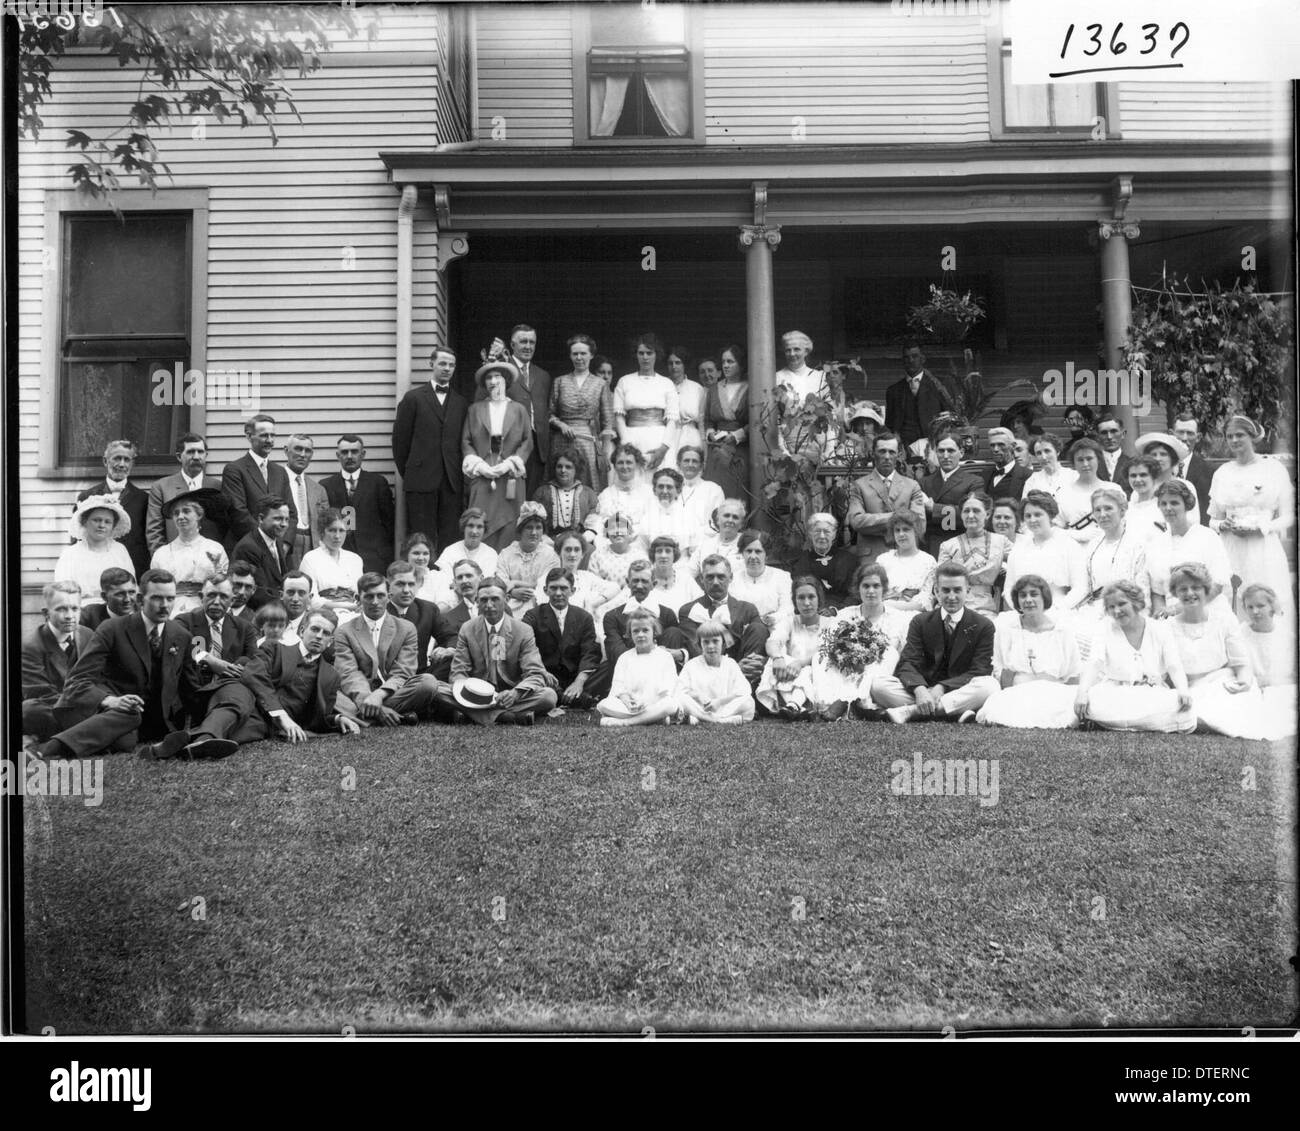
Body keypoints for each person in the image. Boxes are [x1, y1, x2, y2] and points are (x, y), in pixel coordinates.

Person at [40, 569, 201, 761]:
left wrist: (212, 720)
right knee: (128, 724)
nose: (165, 605)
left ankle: (139, 746)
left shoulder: (181, 635)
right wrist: (111, 701)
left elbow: (191, 689)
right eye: (157, 598)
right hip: (114, 712)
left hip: (156, 724)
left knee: (125, 742)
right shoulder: (112, 629)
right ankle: (48, 749)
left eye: (170, 598)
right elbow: (77, 681)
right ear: (140, 599)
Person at [873, 562, 999, 724]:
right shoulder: (920, 621)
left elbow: (980, 669)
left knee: (990, 686)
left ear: (967, 592)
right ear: (936, 591)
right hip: (924, 691)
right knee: (879, 686)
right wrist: (919, 690)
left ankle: (912, 711)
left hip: (959, 690)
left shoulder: (983, 625)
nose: (951, 596)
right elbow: (908, 662)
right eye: (945, 590)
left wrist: (942, 687)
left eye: (957, 590)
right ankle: (953, 712)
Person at [1074, 580, 1195, 733]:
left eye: (1122, 604)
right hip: (1115, 693)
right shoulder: (1104, 627)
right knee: (1093, 700)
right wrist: (1082, 693)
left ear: (1136, 603)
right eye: (1111, 607)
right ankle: (1146, 723)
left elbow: (1173, 664)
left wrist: (1183, 690)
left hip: (1152, 693)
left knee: (1180, 706)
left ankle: (1107, 723)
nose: (1116, 611)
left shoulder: (1160, 628)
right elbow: (1094, 662)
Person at [438, 574, 558, 726]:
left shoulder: (523, 630)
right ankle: (508, 717)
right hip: (476, 695)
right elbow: (458, 672)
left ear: (506, 599)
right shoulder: (467, 628)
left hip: (511, 694)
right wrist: (473, 693)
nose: (489, 605)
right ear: (476, 602)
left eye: (495, 599)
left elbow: (535, 673)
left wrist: (515, 693)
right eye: (483, 600)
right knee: (437, 689)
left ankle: (475, 715)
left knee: (548, 696)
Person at [1209, 414, 1295, 620]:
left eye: (1240, 435)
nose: (1234, 440)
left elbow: (1289, 516)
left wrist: (1263, 527)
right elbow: (1212, 520)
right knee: (1233, 601)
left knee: (1265, 599)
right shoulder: (1222, 472)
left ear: (1253, 436)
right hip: (1231, 548)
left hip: (1263, 548)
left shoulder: (1273, 469)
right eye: (1229, 436)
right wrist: (1223, 524)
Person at [1166, 562, 1263, 738]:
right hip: (1187, 689)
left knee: (1238, 705)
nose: (1190, 593)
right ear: (1175, 593)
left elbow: (1241, 663)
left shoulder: (1225, 620)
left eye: (1196, 587)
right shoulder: (1167, 627)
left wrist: (1243, 682)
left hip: (1220, 683)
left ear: (1206, 590)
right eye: (1183, 589)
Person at [333, 572, 444, 725]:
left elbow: (404, 671)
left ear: (389, 597)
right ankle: (391, 713)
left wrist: (378, 695)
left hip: (391, 692)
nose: (375, 602)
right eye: (369, 596)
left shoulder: (406, 628)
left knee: (428, 683)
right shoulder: (344, 631)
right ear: (358, 599)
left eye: (380, 596)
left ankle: (365, 715)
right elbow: (349, 673)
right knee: (330, 691)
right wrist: (368, 698)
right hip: (358, 693)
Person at [976, 574, 1081, 729]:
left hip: (1054, 692)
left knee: (1066, 710)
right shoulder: (1006, 630)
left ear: (1044, 597)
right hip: (1018, 691)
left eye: (1034, 594)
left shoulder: (1062, 631)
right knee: (999, 707)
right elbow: (999, 668)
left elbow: (1073, 673)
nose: (1028, 600)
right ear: (1017, 601)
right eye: (1022, 595)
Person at [239, 609, 363, 741]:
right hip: (253, 708)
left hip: (270, 727)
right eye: (315, 629)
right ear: (302, 631)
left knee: (240, 732)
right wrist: (280, 715)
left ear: (330, 642)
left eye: (325, 633)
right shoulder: (275, 649)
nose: (319, 636)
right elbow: (255, 677)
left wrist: (338, 719)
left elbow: (320, 715)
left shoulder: (331, 676)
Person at [393, 346, 469, 553]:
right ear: (431, 364)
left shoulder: (461, 403)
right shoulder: (413, 398)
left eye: (451, 365)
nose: (447, 369)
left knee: (450, 535)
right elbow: (400, 443)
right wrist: (413, 471)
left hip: (451, 481)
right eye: (442, 363)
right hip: (420, 480)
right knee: (420, 536)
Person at [816, 562, 913, 719]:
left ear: (884, 589)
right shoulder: (844, 615)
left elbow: (904, 656)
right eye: (865, 586)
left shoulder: (898, 619)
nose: (871, 591)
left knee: (889, 652)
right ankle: (842, 700)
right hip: (846, 672)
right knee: (820, 656)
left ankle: (848, 700)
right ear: (858, 589)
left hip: (880, 677)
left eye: (876, 586)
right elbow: (829, 647)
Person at [585, 559, 691, 702]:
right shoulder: (613, 616)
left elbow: (674, 650)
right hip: (628, 674)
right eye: (635, 581)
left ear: (653, 584)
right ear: (628, 582)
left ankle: (665, 695)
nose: (639, 586)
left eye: (644, 581)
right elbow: (616, 653)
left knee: (673, 632)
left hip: (659, 675)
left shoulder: (666, 614)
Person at [462, 358, 533, 551]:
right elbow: (466, 441)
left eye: (498, 377)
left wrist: (510, 463)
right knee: (481, 522)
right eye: (489, 378)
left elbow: (528, 441)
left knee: (510, 526)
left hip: (510, 477)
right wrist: (480, 466)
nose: (493, 382)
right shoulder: (474, 410)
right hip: (483, 477)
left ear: (506, 381)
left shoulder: (519, 410)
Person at [1071, 485, 1151, 654]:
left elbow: (1142, 591)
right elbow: (1083, 588)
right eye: (1097, 510)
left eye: (1108, 508)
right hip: (1094, 609)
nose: (1102, 514)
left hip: (1124, 610)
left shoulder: (1137, 545)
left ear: (1122, 511)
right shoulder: (1093, 545)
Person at [1146, 480, 1234, 622]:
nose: (1168, 508)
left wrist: (1178, 609)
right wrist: (1160, 617)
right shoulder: (1156, 544)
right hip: (1171, 619)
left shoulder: (1207, 537)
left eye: (1174, 503)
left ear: (1186, 505)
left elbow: (1217, 586)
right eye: (1163, 503)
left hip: (1208, 613)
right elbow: (1157, 592)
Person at [679, 555, 770, 687]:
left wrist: (754, 662)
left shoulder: (747, 609)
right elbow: (696, 649)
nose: (715, 582)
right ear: (701, 580)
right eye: (710, 577)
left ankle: (748, 692)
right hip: (707, 675)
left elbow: (760, 639)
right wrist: (733, 669)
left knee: (758, 628)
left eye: (721, 576)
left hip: (745, 674)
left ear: (731, 577)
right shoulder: (689, 610)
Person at [483, 324, 552, 497]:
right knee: (510, 498)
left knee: (534, 498)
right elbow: (482, 400)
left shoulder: (543, 376)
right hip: (510, 447)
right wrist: (491, 362)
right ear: (512, 345)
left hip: (538, 449)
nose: (528, 346)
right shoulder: (501, 369)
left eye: (532, 342)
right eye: (523, 342)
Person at [22, 581, 94, 740]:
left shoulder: (88, 634)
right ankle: (93, 730)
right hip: (53, 707)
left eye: (75, 608)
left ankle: (69, 735)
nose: (69, 616)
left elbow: (97, 678)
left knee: (127, 733)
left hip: (82, 706)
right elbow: (40, 693)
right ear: (46, 613)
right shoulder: (30, 645)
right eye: (61, 609)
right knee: (29, 710)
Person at [755, 575, 834, 718]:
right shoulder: (788, 622)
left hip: (818, 676)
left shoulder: (830, 623)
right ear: (795, 601)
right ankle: (795, 707)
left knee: (808, 669)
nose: (807, 603)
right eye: (801, 598)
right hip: (789, 675)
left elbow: (826, 652)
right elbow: (773, 641)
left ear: (819, 599)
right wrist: (778, 658)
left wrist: (800, 663)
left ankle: (794, 705)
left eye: (811, 597)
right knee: (775, 660)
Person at [524, 566, 600, 708]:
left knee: (605, 669)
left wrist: (579, 682)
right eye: (553, 588)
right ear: (545, 590)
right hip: (546, 677)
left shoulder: (584, 617)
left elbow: (589, 652)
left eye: (563, 588)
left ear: (573, 591)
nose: (558, 593)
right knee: (533, 677)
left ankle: (571, 695)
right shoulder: (533, 616)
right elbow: (527, 650)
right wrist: (543, 674)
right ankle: (575, 698)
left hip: (576, 675)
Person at [1001, 491, 1088, 616]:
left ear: (1050, 515)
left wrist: (1056, 610)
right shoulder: (1019, 549)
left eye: (1038, 514)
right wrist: (1020, 611)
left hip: (1060, 611)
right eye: (1028, 516)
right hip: (1024, 613)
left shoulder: (1068, 545)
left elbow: (1080, 587)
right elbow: (1009, 588)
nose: (1032, 520)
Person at [319, 434, 395, 576]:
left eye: (354, 452)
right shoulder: (326, 485)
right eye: (344, 452)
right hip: (339, 556)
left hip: (373, 558)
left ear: (363, 454)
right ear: (337, 455)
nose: (349, 456)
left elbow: (389, 523)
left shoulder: (377, 483)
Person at [846, 431, 927, 563]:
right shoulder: (859, 486)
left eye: (891, 452)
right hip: (871, 556)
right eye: (882, 451)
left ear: (898, 455)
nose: (887, 456)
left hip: (904, 555)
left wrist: (874, 525)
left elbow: (919, 526)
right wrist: (898, 517)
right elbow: (857, 522)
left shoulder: (912, 486)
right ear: (873, 453)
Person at [548, 333, 616, 491]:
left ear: (591, 355)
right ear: (570, 356)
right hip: (562, 441)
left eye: (583, 353)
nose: (579, 357)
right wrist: (561, 425)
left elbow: (607, 423)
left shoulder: (600, 384)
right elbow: (550, 414)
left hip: (587, 442)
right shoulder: (560, 382)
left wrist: (604, 453)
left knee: (588, 486)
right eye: (575, 353)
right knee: (561, 483)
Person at [74, 439, 150, 577]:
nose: (122, 464)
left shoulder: (143, 499)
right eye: (117, 458)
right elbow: (78, 538)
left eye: (127, 460)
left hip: (130, 571)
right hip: (94, 570)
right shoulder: (87, 497)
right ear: (105, 461)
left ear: (132, 463)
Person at [149, 491, 230, 617]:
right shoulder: (162, 553)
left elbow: (222, 584)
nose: (180, 516)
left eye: (186, 511)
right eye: (176, 513)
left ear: (198, 515)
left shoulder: (215, 549)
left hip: (207, 610)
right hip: (171, 612)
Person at [596, 608, 681, 727]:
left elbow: (667, 690)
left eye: (645, 630)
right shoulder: (624, 658)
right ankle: (653, 719)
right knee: (603, 704)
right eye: (636, 631)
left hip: (654, 704)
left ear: (654, 632)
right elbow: (618, 688)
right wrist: (627, 702)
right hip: (629, 706)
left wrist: (645, 703)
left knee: (669, 705)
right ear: (630, 634)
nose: (640, 635)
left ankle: (626, 722)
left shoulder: (665, 657)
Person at [147, 432, 227, 552]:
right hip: (174, 560)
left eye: (200, 452)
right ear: (179, 456)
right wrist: (163, 563)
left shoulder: (217, 487)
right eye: (190, 452)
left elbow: (226, 527)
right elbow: (154, 532)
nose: (196, 456)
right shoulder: (162, 487)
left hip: (211, 559)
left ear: (206, 455)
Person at [222, 414, 297, 540]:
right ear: (249, 436)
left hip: (279, 549)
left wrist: (285, 544)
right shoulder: (235, 470)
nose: (269, 440)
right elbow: (238, 513)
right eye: (264, 435)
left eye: (272, 435)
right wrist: (264, 543)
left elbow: (292, 513)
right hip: (249, 546)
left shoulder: (280, 472)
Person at [937, 491, 1012, 616]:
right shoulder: (948, 546)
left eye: (976, 511)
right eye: (966, 511)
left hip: (988, 607)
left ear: (987, 514)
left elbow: (1021, 562)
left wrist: (1005, 567)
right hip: (955, 605)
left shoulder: (1001, 542)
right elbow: (940, 581)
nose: (970, 515)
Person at [614, 331, 680, 472]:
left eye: (649, 353)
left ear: (656, 354)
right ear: (636, 355)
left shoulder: (666, 383)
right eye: (641, 353)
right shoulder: (624, 381)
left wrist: (663, 449)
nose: (645, 357)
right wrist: (628, 447)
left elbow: (672, 420)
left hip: (659, 439)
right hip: (632, 439)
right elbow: (619, 418)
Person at [1239, 583, 1297, 740]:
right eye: (1250, 607)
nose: (1255, 611)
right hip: (1252, 687)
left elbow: (1291, 672)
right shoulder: (1242, 632)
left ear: (1272, 606)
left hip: (1280, 686)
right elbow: (1239, 665)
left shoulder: (1286, 634)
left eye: (1260, 606)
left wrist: (1272, 683)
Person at [55, 495, 136, 606]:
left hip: (117, 610)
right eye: (96, 520)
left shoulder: (119, 550)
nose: (102, 525)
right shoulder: (71, 554)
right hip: (83, 611)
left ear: (113, 526)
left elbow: (131, 585)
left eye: (107, 522)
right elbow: (63, 592)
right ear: (84, 522)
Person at [677, 618, 756, 725]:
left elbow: (743, 690)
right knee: (681, 699)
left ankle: (708, 719)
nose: (711, 646)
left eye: (715, 641)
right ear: (700, 644)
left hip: (725, 708)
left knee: (748, 702)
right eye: (706, 642)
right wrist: (698, 696)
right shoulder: (692, 665)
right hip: (701, 708)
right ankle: (719, 720)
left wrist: (719, 702)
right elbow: (680, 690)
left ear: (723, 642)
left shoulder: (730, 663)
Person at [386, 559, 453, 677]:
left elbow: (451, 636)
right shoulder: (379, 610)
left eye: (411, 584)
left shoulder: (427, 609)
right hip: (387, 675)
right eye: (400, 584)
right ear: (388, 585)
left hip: (420, 674)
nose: (406, 590)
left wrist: (447, 650)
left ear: (418, 585)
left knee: (453, 657)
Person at [231, 496, 297, 610]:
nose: (284, 524)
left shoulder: (277, 540)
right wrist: (289, 605)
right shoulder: (248, 548)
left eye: (287, 519)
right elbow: (258, 593)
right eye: (278, 519)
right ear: (261, 519)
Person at [496, 502, 561, 617]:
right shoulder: (506, 554)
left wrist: (514, 583)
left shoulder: (551, 555)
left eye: (538, 528)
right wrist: (512, 592)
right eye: (529, 527)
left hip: (540, 603)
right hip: (510, 603)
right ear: (521, 530)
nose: (534, 533)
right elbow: (501, 581)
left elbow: (547, 583)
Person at [704, 343, 750, 502]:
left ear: (741, 363)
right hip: (717, 450)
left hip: (739, 449)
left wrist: (736, 436)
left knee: (737, 491)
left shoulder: (751, 387)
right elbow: (708, 420)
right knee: (715, 491)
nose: (725, 365)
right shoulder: (714, 389)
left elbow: (756, 421)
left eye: (730, 362)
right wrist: (710, 433)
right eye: (723, 362)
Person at [885, 341, 949, 451]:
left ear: (922, 359)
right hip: (905, 448)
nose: (910, 361)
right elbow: (890, 423)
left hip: (933, 446)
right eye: (906, 357)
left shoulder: (939, 386)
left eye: (914, 356)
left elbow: (949, 417)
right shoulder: (893, 391)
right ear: (902, 361)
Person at [540, 529, 621, 614]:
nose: (572, 554)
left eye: (577, 550)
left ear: (582, 554)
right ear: (559, 552)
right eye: (568, 549)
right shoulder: (548, 577)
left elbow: (615, 587)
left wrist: (593, 603)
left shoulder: (587, 577)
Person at [790, 512, 857, 609]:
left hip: (844, 612)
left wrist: (836, 610)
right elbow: (798, 595)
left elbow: (854, 593)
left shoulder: (849, 560)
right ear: (810, 534)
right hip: (811, 612)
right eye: (817, 531)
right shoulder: (800, 563)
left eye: (826, 532)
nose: (822, 536)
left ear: (834, 534)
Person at [729, 529, 794, 629]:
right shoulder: (733, 579)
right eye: (748, 551)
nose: (753, 556)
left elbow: (787, 607)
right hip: (741, 631)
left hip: (773, 629)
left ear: (766, 554)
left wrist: (773, 618)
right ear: (742, 553)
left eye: (758, 551)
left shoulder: (781, 577)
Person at [875, 510, 936, 614]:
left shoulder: (928, 561)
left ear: (916, 532)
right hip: (882, 613)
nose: (901, 534)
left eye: (906, 529)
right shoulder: (883, 560)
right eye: (897, 530)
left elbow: (926, 600)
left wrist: (892, 606)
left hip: (913, 615)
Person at [283, 432, 331, 560]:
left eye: (307, 451)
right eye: (298, 449)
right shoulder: (275, 479)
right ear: (286, 451)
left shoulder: (319, 489)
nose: (303, 455)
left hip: (313, 544)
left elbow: (325, 524)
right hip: (286, 543)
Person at [532, 447, 600, 537]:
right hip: (548, 542)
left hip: (580, 542)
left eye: (568, 467)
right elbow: (534, 522)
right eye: (559, 466)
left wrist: (584, 539)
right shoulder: (542, 492)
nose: (563, 470)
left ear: (576, 469)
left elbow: (594, 522)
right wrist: (546, 541)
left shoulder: (588, 493)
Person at [1134, 433, 1201, 524]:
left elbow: (1193, 520)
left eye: (1163, 454)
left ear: (1172, 458)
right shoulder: (1141, 488)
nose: (1158, 459)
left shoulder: (1186, 486)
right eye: (1154, 454)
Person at [431, 509, 498, 593]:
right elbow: (446, 582)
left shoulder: (490, 554)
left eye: (479, 527)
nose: (474, 531)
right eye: (470, 525)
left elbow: (487, 583)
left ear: (484, 529)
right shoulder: (450, 551)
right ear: (463, 527)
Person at [596, 443, 654, 534]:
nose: (624, 467)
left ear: (636, 465)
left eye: (629, 462)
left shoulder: (649, 492)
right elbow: (602, 524)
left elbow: (652, 522)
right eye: (620, 463)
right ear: (614, 466)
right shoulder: (606, 494)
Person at [686, 496, 748, 582]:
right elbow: (688, 574)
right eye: (726, 515)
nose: (730, 520)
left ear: (741, 524)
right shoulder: (705, 545)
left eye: (735, 517)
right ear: (718, 519)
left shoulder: (747, 544)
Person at [1057, 438, 1107, 544]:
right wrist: (1075, 535)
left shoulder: (1113, 489)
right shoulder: (1063, 493)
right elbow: (1055, 528)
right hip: (1074, 550)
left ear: (1098, 459)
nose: (1085, 464)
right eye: (1080, 460)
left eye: (1089, 458)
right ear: (1073, 463)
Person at [1021, 433, 1077, 520]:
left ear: (1057, 451)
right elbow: (1026, 511)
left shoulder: (1073, 476)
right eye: (1039, 453)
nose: (1043, 457)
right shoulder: (1032, 480)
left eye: (1047, 451)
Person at [1172, 413, 1215, 525]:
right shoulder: (1160, 469)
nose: (1184, 438)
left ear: (1198, 437)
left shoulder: (1209, 472)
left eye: (1190, 433)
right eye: (1180, 432)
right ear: (1171, 434)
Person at [587, 512, 647, 587]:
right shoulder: (597, 556)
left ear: (629, 531)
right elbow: (593, 585)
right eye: (612, 528)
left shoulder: (640, 557)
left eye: (622, 527)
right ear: (607, 533)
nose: (618, 532)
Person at [677, 444, 725, 538]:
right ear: (678, 464)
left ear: (701, 465)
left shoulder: (713, 489)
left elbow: (717, 524)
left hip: (703, 543)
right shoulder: (669, 489)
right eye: (686, 461)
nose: (690, 465)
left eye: (695, 461)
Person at [666, 345, 706, 456]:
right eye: (671, 363)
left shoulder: (696, 388)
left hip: (691, 436)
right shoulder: (662, 386)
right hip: (667, 436)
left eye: (678, 362)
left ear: (684, 365)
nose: (674, 366)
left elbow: (703, 420)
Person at [642, 467, 694, 552]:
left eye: (669, 487)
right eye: (661, 487)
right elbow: (642, 550)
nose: (664, 491)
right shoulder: (646, 518)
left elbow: (694, 552)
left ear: (678, 490)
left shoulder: (689, 517)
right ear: (654, 490)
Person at [403, 532, 450, 606]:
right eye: (416, 553)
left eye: (425, 553)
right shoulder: (399, 578)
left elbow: (443, 606)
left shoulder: (438, 578)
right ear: (406, 555)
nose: (421, 558)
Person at [986, 427, 1031, 500]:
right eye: (992, 445)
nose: (995, 449)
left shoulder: (1028, 476)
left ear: (1013, 446)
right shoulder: (985, 474)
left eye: (1001, 445)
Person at [1125, 456, 1164, 536]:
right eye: (1133, 475)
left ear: (1154, 476)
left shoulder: (1163, 507)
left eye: (1143, 475)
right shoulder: (1126, 509)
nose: (1138, 480)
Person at [1094, 413, 1133, 487]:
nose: (1109, 437)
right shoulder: (1092, 464)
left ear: (1123, 434)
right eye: (1104, 433)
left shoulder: (1132, 464)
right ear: (1097, 437)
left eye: (1114, 431)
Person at [279, 571, 314, 645]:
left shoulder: (315, 626)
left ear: (310, 597)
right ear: (281, 595)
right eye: (290, 592)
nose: (295, 599)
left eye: (301, 593)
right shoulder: (267, 620)